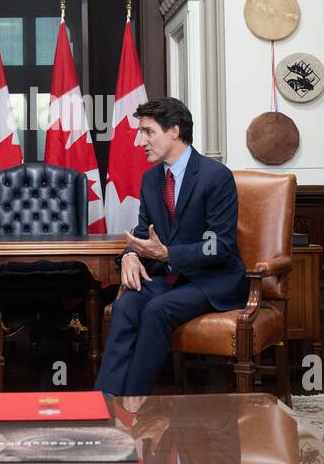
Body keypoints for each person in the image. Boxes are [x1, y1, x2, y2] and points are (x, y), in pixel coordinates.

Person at [93, 97, 246, 396]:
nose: (140, 141)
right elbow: (141, 234)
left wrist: (168, 254)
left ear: (174, 131)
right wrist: (128, 258)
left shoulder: (216, 177)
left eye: (148, 132)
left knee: (156, 310)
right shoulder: (151, 179)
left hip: (212, 281)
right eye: (141, 132)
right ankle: (104, 401)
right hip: (171, 278)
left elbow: (221, 245)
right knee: (125, 304)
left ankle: (133, 404)